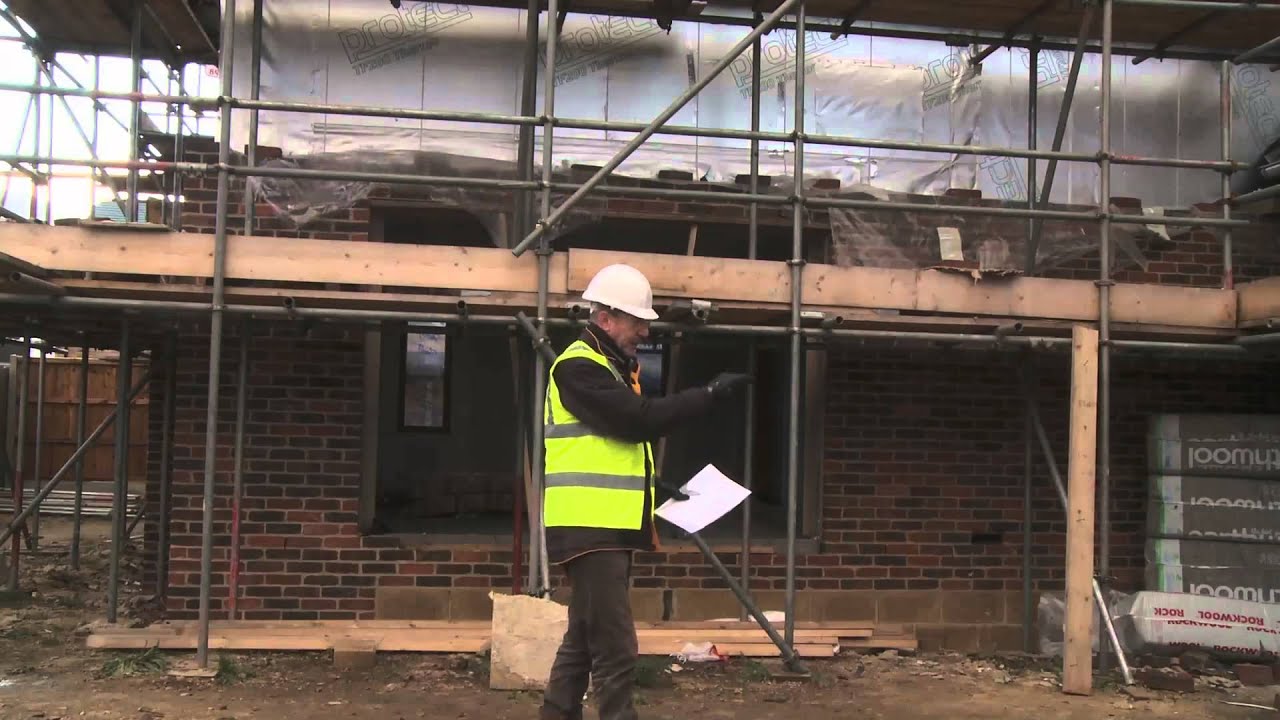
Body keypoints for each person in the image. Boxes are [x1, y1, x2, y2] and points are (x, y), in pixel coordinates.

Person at [538, 263, 750, 720]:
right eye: (637, 323)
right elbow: (637, 421)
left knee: (582, 638)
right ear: (607, 317)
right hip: (590, 528)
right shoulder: (578, 367)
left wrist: (653, 485)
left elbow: (606, 448)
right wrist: (709, 395)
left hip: (602, 527)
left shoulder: (607, 368)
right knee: (615, 647)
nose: (643, 332)